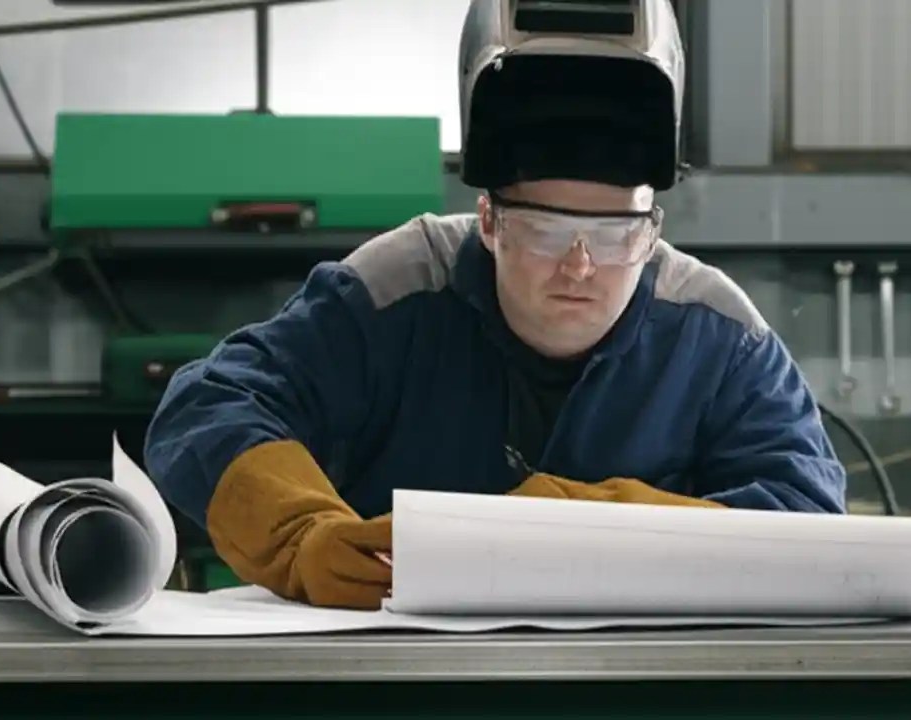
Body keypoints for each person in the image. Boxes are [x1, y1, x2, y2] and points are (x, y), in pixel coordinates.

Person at [143, 0, 847, 610]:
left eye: (614, 235)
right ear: (488, 221)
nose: (580, 265)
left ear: (652, 228)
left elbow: (808, 518)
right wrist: (301, 536)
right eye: (544, 231)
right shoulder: (397, 289)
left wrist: (596, 524)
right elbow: (209, 406)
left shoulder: (720, 338)